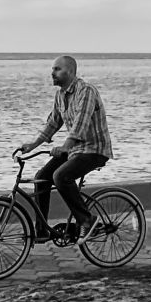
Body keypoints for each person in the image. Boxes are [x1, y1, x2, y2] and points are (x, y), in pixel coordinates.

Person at [16, 55, 113, 243]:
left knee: (61, 176)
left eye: (57, 69)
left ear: (70, 71)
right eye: (52, 69)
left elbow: (80, 126)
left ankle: (87, 221)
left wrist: (64, 147)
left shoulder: (86, 92)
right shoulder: (60, 95)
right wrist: (32, 145)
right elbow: (53, 123)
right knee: (42, 177)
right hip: (75, 151)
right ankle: (42, 231)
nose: (52, 73)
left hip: (95, 150)